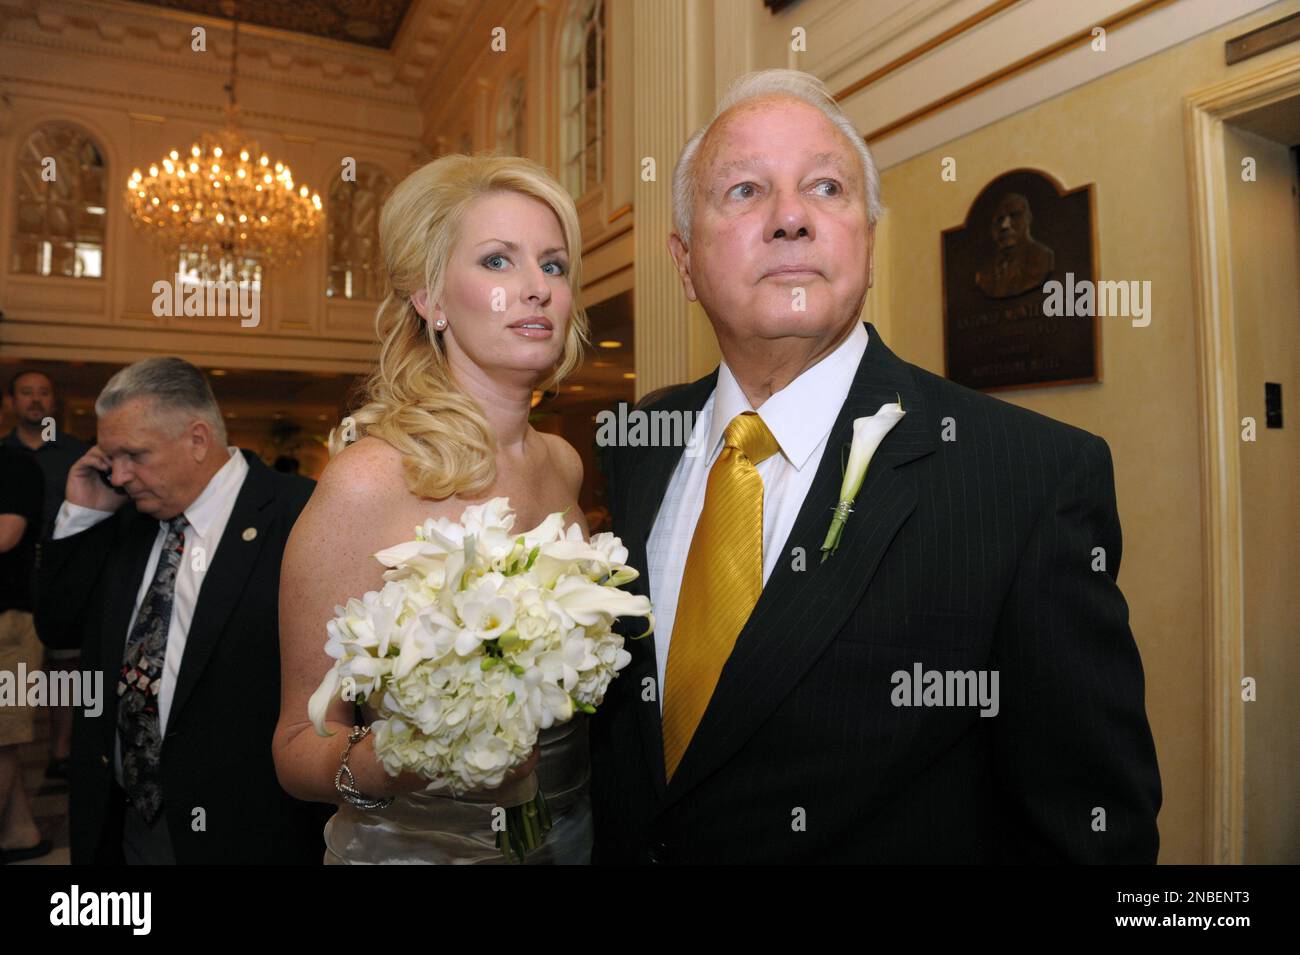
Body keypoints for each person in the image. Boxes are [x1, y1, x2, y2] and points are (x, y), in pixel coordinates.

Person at [589, 69, 1162, 864]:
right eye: (745, 190)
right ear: (683, 263)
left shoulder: (1029, 481)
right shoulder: (634, 444)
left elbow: (1093, 832)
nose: (790, 217)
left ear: (866, 239)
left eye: (826, 187)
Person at [274, 154, 594, 864]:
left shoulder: (562, 462)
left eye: (553, 265)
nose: (536, 287)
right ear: (431, 299)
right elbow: (297, 745)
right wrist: (408, 759)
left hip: (575, 837)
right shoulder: (369, 479)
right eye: (498, 260)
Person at [35, 357, 334, 863]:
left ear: (197, 439)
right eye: (111, 457)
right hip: (123, 820)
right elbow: (59, 627)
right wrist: (82, 513)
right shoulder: (120, 514)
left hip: (248, 829)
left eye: (134, 455)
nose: (120, 475)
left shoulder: (303, 514)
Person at [3, 369, 90, 780]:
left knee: (65, 666)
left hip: (63, 574)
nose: (35, 400)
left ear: (54, 402)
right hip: (13, 580)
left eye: (43, 392)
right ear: (11, 401)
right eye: (26, 392)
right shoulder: (4, 454)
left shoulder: (73, 453)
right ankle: (11, 759)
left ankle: (61, 749)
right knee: (12, 671)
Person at [0, 444, 52, 863]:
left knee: (2, 737)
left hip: (10, 622)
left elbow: (6, 535)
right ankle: (19, 833)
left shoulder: (13, 465)